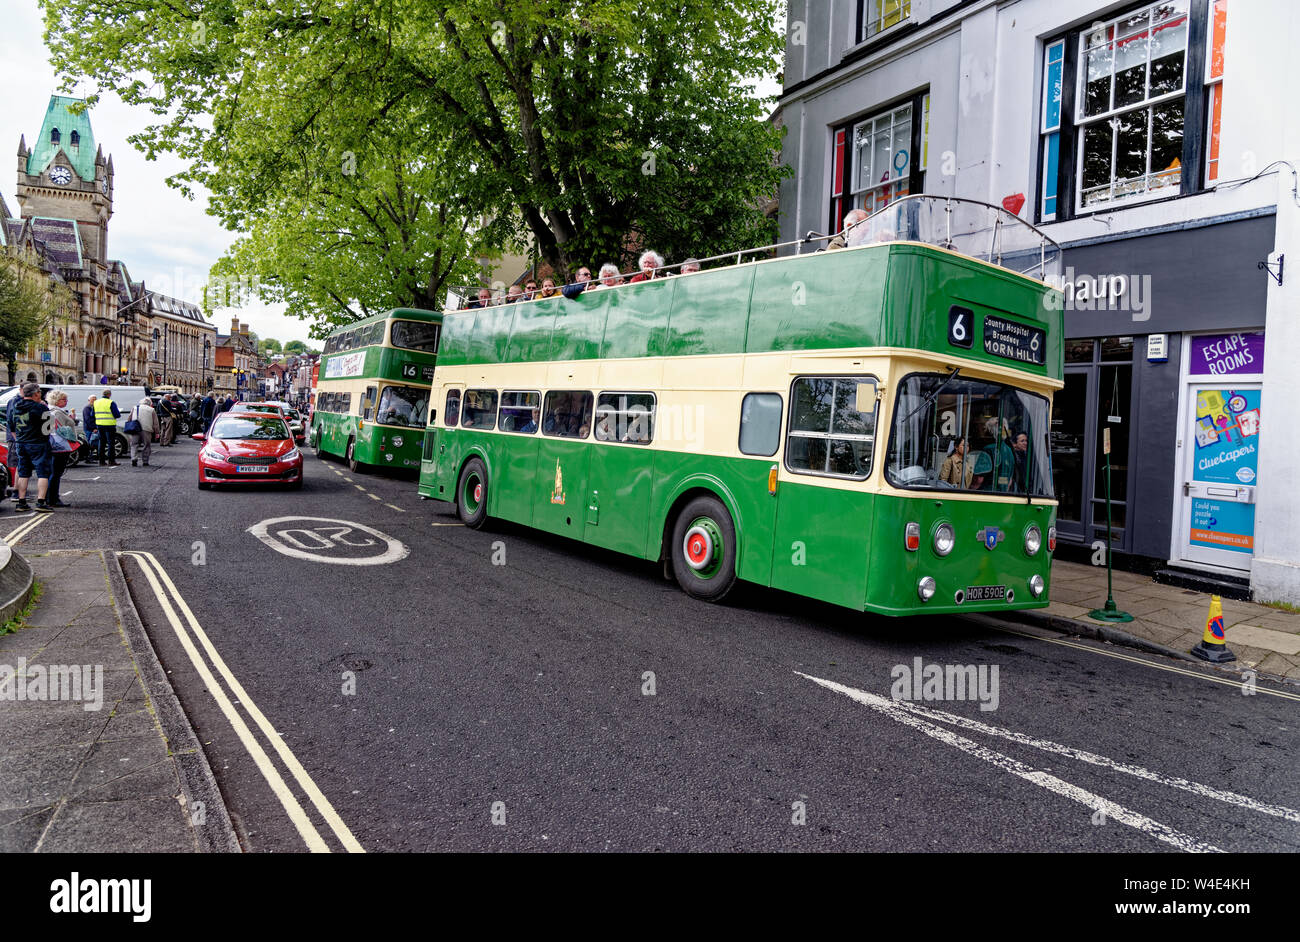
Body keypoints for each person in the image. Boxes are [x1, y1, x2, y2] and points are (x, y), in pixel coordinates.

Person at [10, 382, 54, 512]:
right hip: (38, 443)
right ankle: (41, 502)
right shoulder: (40, 408)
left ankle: (21, 501)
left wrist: (20, 438)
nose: (40, 394)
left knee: (23, 472)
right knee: (43, 473)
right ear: (35, 394)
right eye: (40, 392)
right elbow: (49, 428)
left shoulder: (15, 407)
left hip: (21, 443)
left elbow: (12, 427)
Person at [45, 390, 77, 507]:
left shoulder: (52, 411)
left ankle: (50, 497)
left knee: (53, 473)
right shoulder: (57, 412)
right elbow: (60, 429)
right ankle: (53, 498)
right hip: (60, 445)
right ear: (56, 400)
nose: (66, 401)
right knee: (56, 473)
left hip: (55, 445)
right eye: (64, 399)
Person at [127, 395, 160, 467]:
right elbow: (155, 423)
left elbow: (129, 418)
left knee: (134, 444)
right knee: (146, 445)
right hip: (146, 429)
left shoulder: (135, 408)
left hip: (135, 428)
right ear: (149, 403)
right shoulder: (151, 410)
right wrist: (157, 432)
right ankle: (145, 461)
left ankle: (134, 459)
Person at [93, 388, 121, 466]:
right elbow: (117, 415)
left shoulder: (96, 402)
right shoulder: (111, 402)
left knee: (101, 443)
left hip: (100, 425)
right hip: (109, 425)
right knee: (111, 443)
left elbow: (92, 414)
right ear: (109, 395)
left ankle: (101, 461)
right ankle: (111, 461)